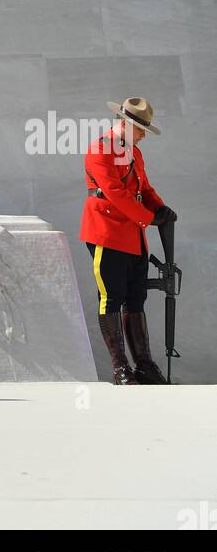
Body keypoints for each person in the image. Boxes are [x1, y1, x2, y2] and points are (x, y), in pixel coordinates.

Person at [79, 97, 177, 385]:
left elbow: (143, 187)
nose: (144, 135)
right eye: (141, 128)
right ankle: (121, 368)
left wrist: (160, 208)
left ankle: (144, 366)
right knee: (111, 298)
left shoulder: (133, 152)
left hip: (133, 235)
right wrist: (148, 217)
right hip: (107, 233)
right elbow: (115, 193)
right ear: (125, 124)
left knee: (136, 299)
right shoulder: (100, 148)